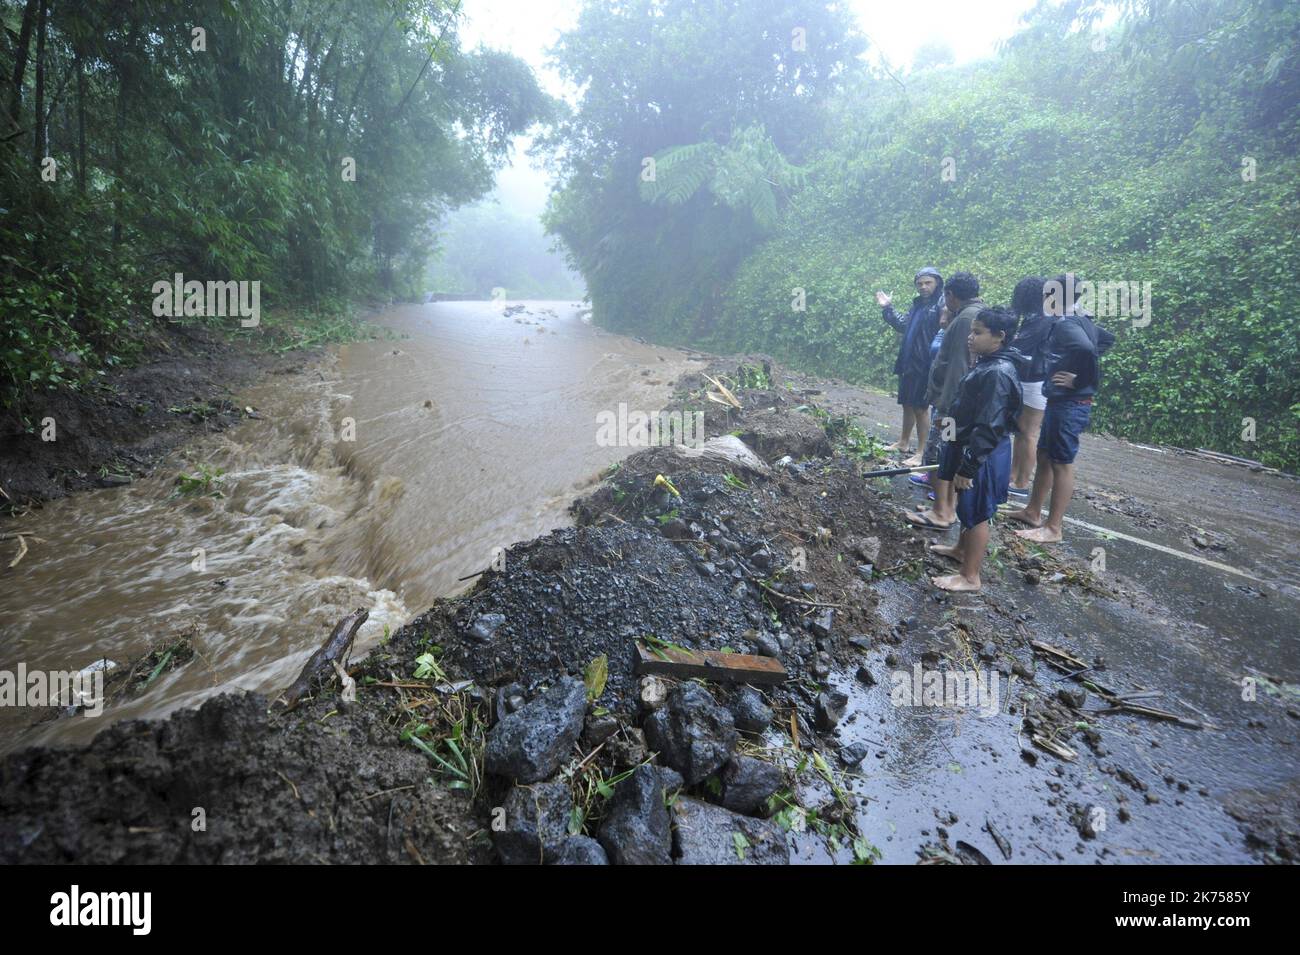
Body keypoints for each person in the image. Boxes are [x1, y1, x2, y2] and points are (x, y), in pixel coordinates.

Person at [1006, 273, 1116, 543]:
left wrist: (1079, 378)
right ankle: (1033, 512)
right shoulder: (1077, 320)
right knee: (1045, 455)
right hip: (1058, 399)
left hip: (1071, 403)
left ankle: (1053, 528)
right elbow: (1105, 339)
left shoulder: (1067, 324)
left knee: (1061, 462)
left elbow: (1088, 350)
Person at [930, 306, 1023, 591]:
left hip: (983, 453)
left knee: (978, 511)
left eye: (978, 332)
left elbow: (989, 426)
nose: (970, 337)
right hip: (971, 446)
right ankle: (960, 549)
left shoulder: (998, 372)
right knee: (966, 505)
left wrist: (969, 466)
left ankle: (970, 576)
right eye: (971, 330)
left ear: (1000, 337)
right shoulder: (986, 362)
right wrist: (947, 426)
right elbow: (969, 409)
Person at [906, 271, 984, 529]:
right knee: (950, 452)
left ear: (950, 294)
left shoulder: (964, 320)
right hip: (956, 401)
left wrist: (946, 406)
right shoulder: (973, 314)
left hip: (951, 403)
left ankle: (942, 512)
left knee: (942, 452)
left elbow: (958, 367)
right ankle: (944, 506)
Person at [875, 268, 944, 462]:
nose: (923, 287)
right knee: (907, 402)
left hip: (926, 363)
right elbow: (903, 324)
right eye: (920, 283)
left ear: (937, 282)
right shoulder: (919, 305)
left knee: (921, 407)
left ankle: (921, 452)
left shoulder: (942, 305)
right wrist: (887, 308)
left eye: (927, 282)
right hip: (909, 361)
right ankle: (904, 441)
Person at [1007, 276, 1051, 495]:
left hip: (1036, 381)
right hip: (1027, 378)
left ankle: (1022, 482)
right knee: (1020, 431)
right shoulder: (1035, 317)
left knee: (1029, 432)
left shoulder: (1044, 319)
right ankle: (1013, 476)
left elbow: (1020, 345)